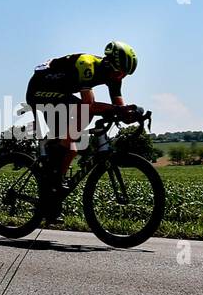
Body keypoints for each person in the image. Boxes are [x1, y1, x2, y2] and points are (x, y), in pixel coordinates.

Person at [24, 41, 141, 189]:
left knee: (71, 150)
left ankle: (53, 185)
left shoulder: (115, 77)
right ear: (108, 64)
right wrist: (118, 110)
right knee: (85, 111)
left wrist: (131, 115)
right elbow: (90, 105)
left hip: (60, 94)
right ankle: (53, 170)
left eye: (125, 75)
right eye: (119, 73)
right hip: (39, 90)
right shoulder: (86, 65)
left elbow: (119, 108)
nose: (120, 78)